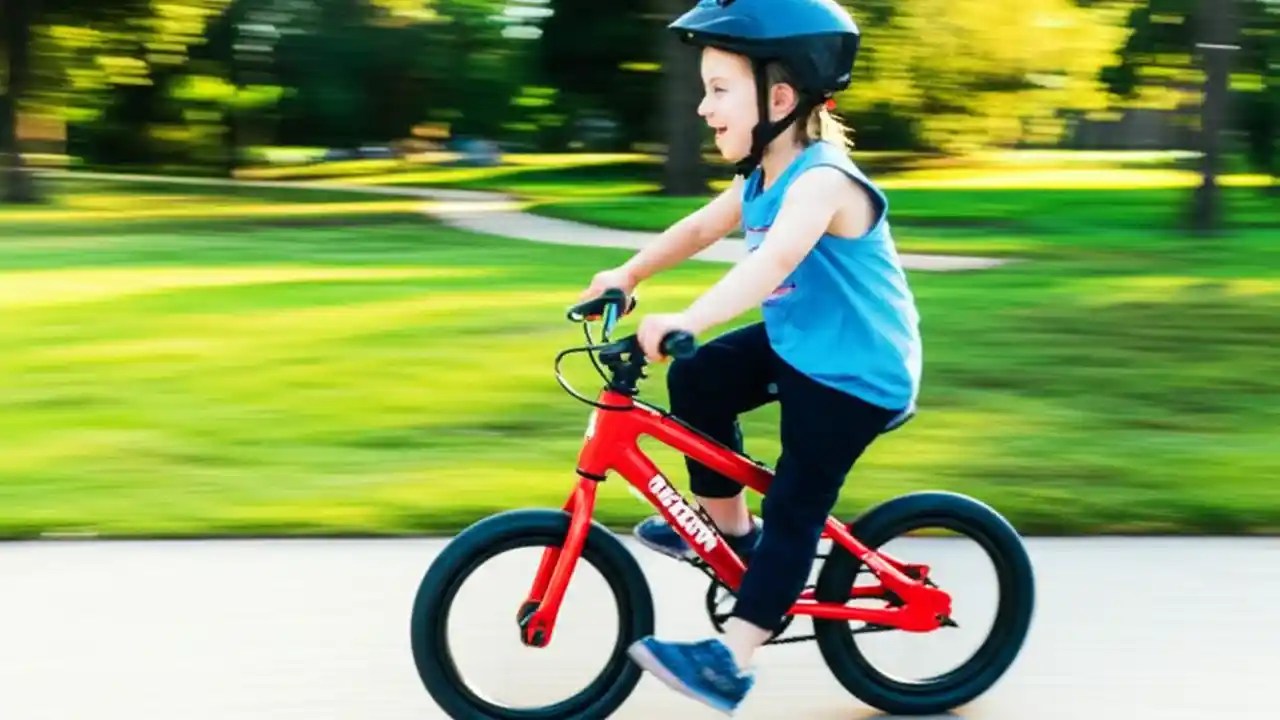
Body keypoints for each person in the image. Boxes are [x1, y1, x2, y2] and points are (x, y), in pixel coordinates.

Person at [576, 0, 922, 713]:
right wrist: (628, 276)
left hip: (855, 373)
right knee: (698, 378)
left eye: (719, 90)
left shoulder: (824, 179)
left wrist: (688, 318)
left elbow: (770, 265)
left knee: (798, 500)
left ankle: (730, 661)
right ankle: (733, 535)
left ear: (781, 98)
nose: (704, 108)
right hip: (802, 346)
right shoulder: (760, 177)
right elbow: (701, 227)